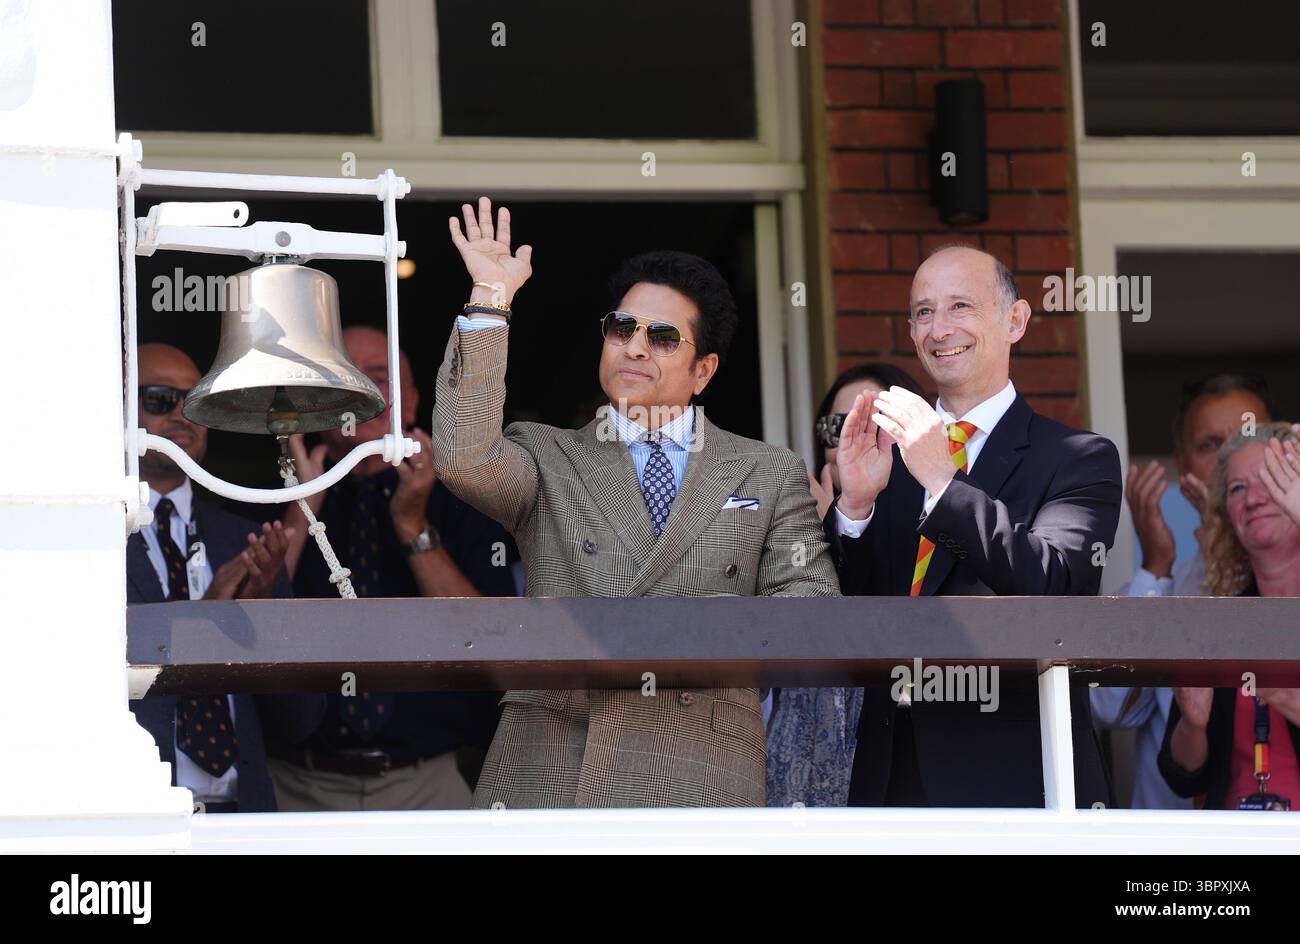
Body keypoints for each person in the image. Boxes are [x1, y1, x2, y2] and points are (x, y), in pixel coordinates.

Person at [432, 197, 840, 808]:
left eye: (663, 336)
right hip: (555, 769)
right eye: (622, 329)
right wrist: (490, 298)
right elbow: (464, 459)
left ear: (703, 370)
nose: (636, 347)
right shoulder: (546, 454)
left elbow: (810, 612)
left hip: (703, 773)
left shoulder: (767, 470)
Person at [829, 244, 1121, 808]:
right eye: (923, 312)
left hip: (1018, 778)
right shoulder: (892, 455)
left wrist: (943, 482)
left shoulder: (1076, 456)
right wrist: (857, 506)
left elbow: (1056, 586)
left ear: (1015, 320)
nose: (940, 328)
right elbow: (846, 621)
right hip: (892, 780)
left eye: (960, 306)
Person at [260, 326, 516, 812]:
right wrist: (301, 506)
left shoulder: (464, 501)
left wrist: (412, 525)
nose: (357, 393)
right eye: (340, 379)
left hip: (427, 782)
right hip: (296, 782)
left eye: (376, 378)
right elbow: (248, 628)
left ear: (412, 402)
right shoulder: (273, 495)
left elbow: (490, 642)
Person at [1092, 373, 1276, 810]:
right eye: (1211, 445)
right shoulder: (1163, 590)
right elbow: (1109, 708)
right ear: (1182, 463)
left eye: (1247, 437)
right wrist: (1156, 564)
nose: (1231, 457)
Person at [128, 343, 295, 814]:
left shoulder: (243, 538)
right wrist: (205, 622)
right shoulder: (86, 539)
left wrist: (262, 614)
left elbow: (299, 720)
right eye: (160, 399)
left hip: (242, 813)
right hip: (137, 814)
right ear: (117, 408)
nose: (182, 414)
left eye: (196, 400)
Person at [767, 363, 924, 807]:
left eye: (872, 425)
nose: (850, 437)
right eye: (835, 426)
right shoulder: (797, 512)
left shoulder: (933, 525)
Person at [1159, 423, 1300, 810]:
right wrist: (1193, 724)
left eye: (1269, 480)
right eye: (1238, 489)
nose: (1253, 500)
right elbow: (1182, 777)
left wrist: (1286, 695)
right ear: (1226, 515)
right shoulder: (1219, 620)